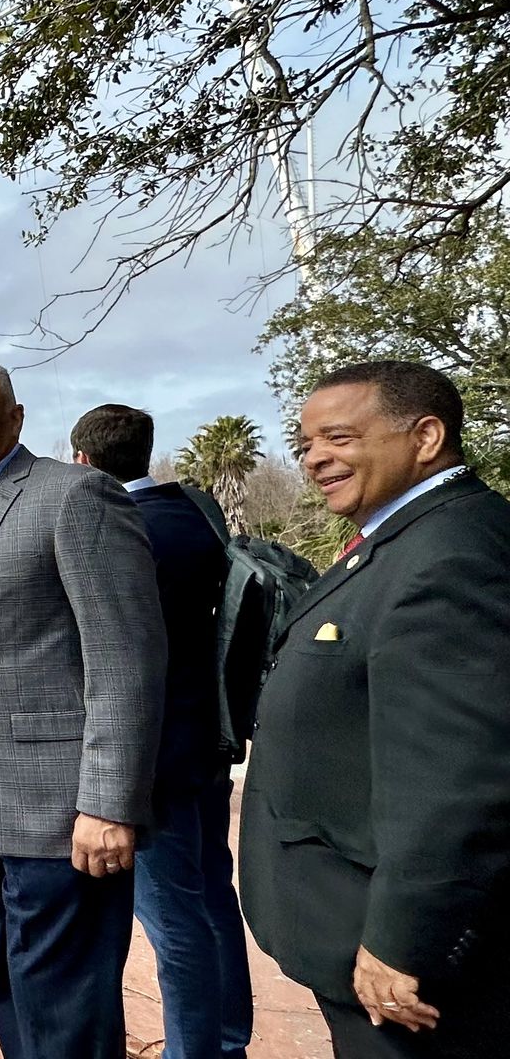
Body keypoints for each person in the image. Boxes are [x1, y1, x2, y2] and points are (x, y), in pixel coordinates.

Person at [0, 358, 167, 1059]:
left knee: (66, 1009)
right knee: (12, 993)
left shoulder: (76, 497)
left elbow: (126, 658)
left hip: (62, 814)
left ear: (15, 419)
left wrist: (110, 804)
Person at [239, 360, 510, 1058]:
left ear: (425, 436)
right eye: (306, 444)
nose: (315, 459)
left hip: (403, 971)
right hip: (356, 936)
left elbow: (457, 780)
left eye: (338, 438)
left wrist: (403, 942)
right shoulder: (398, 543)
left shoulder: (451, 555)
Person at [72, 403, 253, 1059]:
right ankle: (227, 1037)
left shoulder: (123, 532)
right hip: (207, 736)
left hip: (151, 755)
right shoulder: (196, 515)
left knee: (173, 921)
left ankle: (198, 1049)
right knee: (209, 898)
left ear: (82, 462)